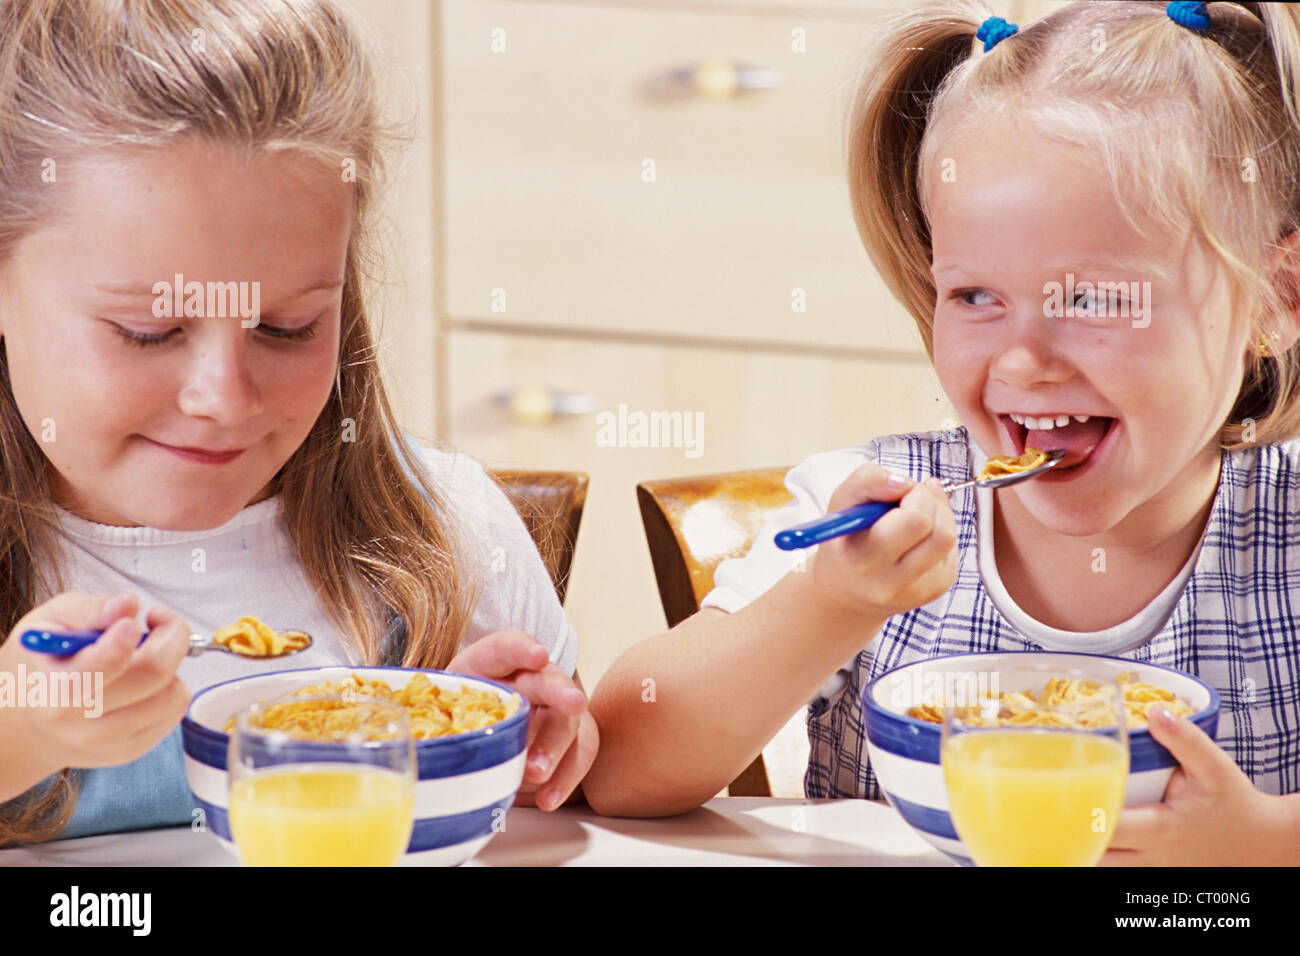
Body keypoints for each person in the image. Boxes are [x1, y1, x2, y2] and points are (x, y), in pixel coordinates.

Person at [585, 0, 1300, 865]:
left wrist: (1265, 842)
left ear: (1276, 300)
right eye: (974, 296)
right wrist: (831, 604)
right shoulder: (860, 511)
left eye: (1095, 298)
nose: (1025, 360)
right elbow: (619, 769)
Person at [0, 0, 596, 847]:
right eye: (149, 331)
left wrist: (460, 758)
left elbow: (575, 819)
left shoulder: (443, 536)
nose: (224, 396)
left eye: (287, 328)